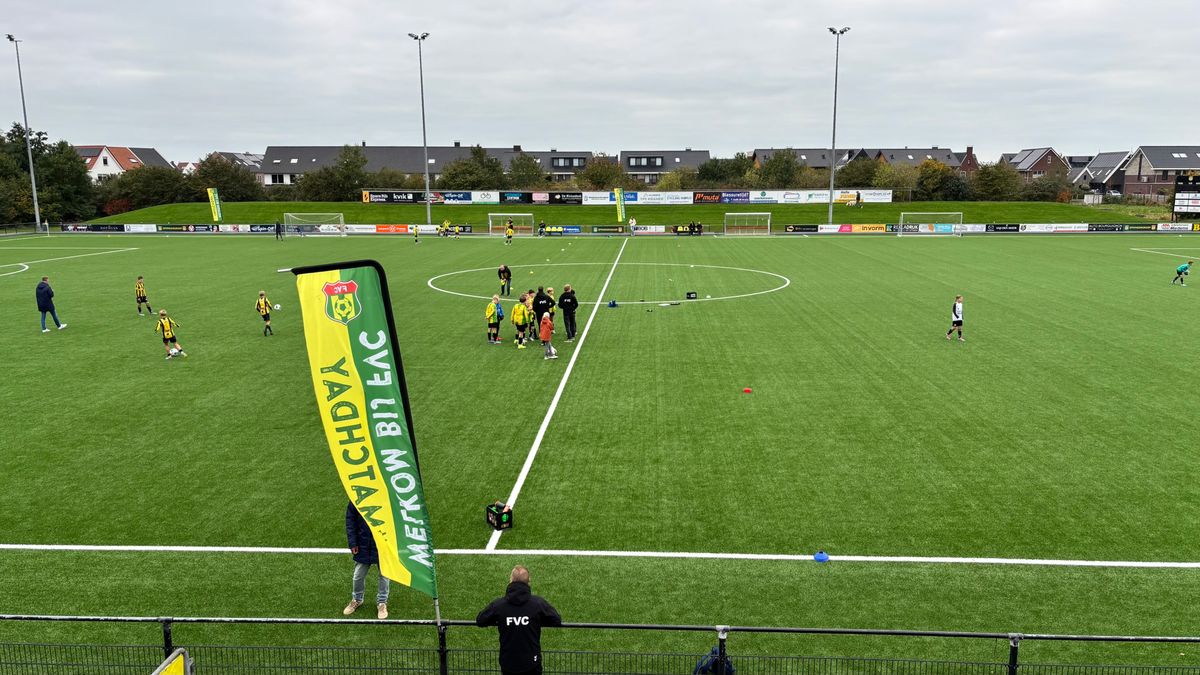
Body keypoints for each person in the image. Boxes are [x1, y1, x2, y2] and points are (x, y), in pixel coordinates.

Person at [476, 565, 561, 675]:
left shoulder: (499, 605)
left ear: (510, 580)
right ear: (528, 581)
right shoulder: (538, 604)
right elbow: (556, 619)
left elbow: (480, 620)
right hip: (532, 663)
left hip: (508, 664)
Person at [343, 502, 390, 620]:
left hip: (383, 544)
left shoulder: (385, 494)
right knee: (358, 575)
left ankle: (382, 603)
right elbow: (350, 521)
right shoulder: (355, 496)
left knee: (384, 575)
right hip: (362, 544)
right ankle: (357, 600)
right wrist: (353, 543)